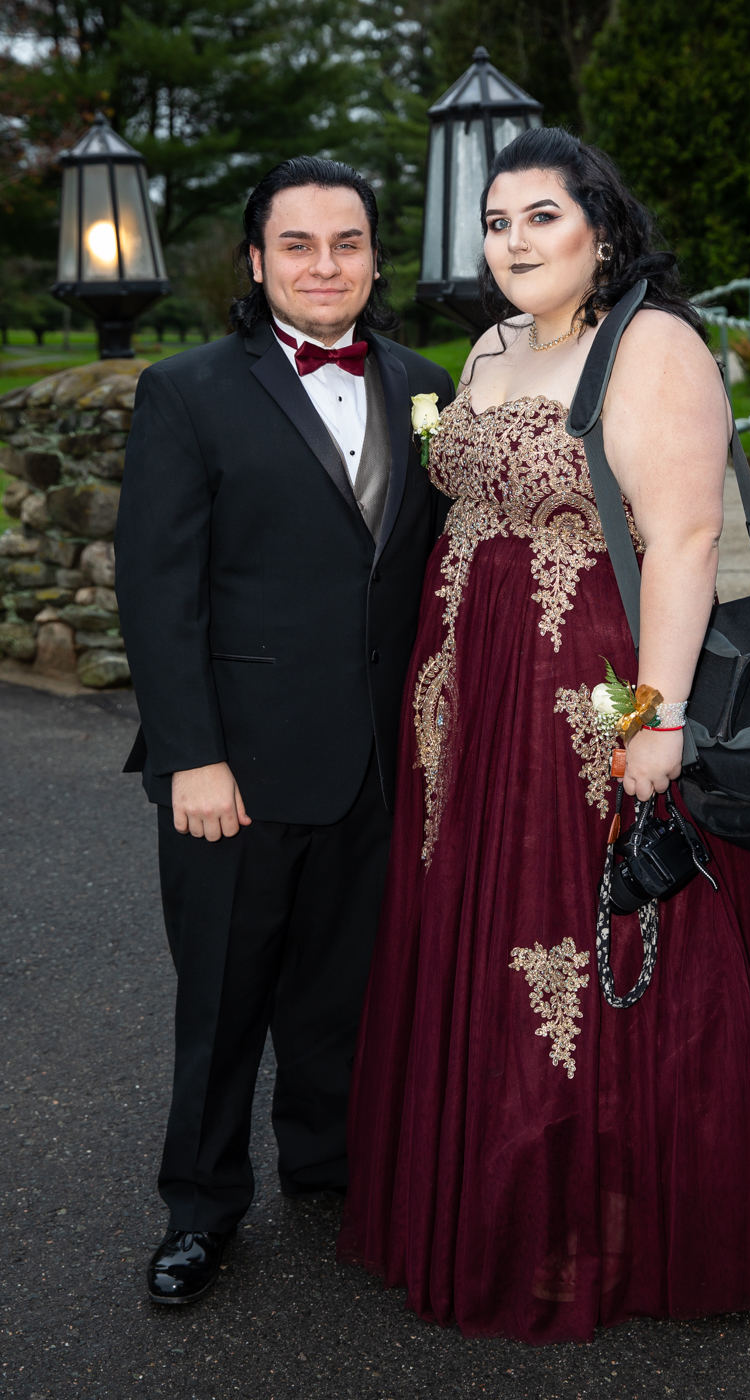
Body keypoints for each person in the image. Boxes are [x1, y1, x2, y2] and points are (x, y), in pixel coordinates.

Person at [337, 128, 750, 1343]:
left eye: (540, 217)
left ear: (600, 227)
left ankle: (608, 1223)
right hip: (468, 683)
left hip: (591, 683)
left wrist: (655, 718)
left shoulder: (652, 344)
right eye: (497, 222)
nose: (513, 242)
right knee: (477, 915)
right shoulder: (498, 343)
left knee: (591, 911)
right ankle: (487, 1194)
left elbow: (686, 543)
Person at [115, 156, 454, 1305]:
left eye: (347, 243)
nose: (325, 265)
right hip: (235, 767)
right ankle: (201, 1208)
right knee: (222, 1002)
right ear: (256, 262)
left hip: (378, 765)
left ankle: (330, 1166)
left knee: (341, 991)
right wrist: (189, 755)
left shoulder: (426, 383)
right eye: (298, 245)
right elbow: (160, 593)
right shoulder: (187, 390)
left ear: (373, 256)